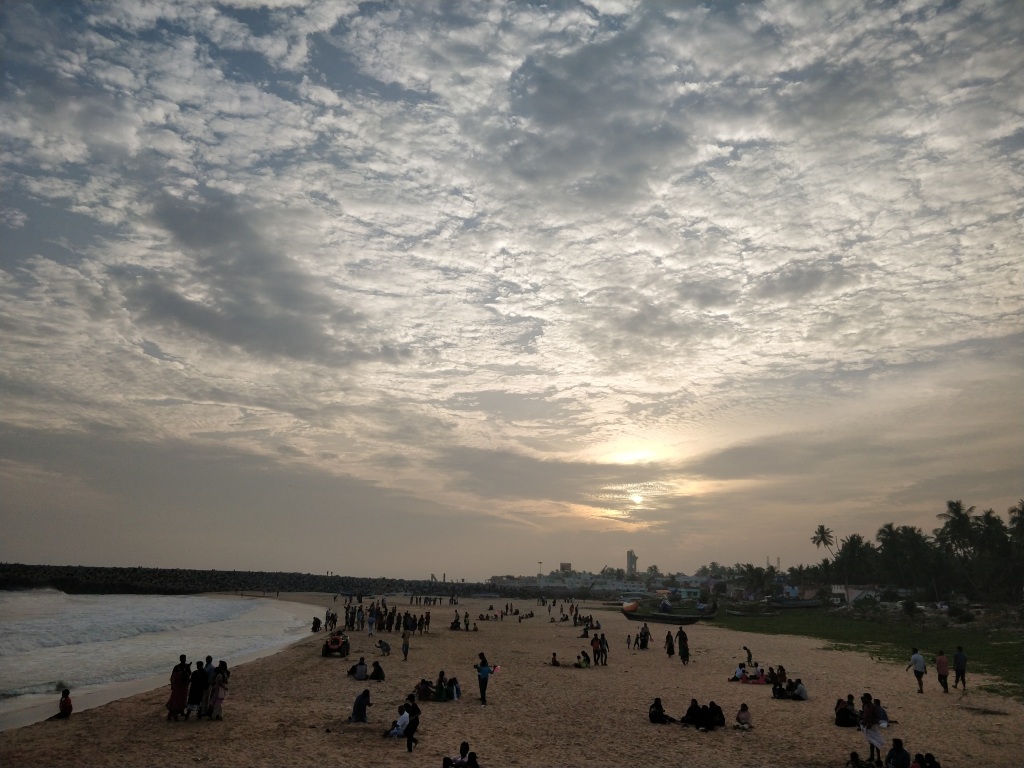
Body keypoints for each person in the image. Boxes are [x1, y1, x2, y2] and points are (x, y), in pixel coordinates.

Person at [860, 692, 885, 765]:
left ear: (868, 699)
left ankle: (878, 757)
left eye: (865, 698)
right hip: (867, 726)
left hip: (873, 727)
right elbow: (864, 716)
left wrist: (870, 723)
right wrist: (863, 721)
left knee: (876, 742)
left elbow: (878, 718)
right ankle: (872, 756)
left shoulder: (873, 707)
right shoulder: (865, 706)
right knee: (871, 742)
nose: (863, 699)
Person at [166, 655, 191, 721]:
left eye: (184, 658)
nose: (184, 659)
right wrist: (172, 686)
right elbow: (172, 677)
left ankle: (174, 715)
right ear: (180, 659)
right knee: (176, 702)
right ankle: (174, 716)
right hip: (178, 687)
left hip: (183, 687)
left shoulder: (186, 666)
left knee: (181, 701)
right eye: (183, 658)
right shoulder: (177, 667)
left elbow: (189, 675)